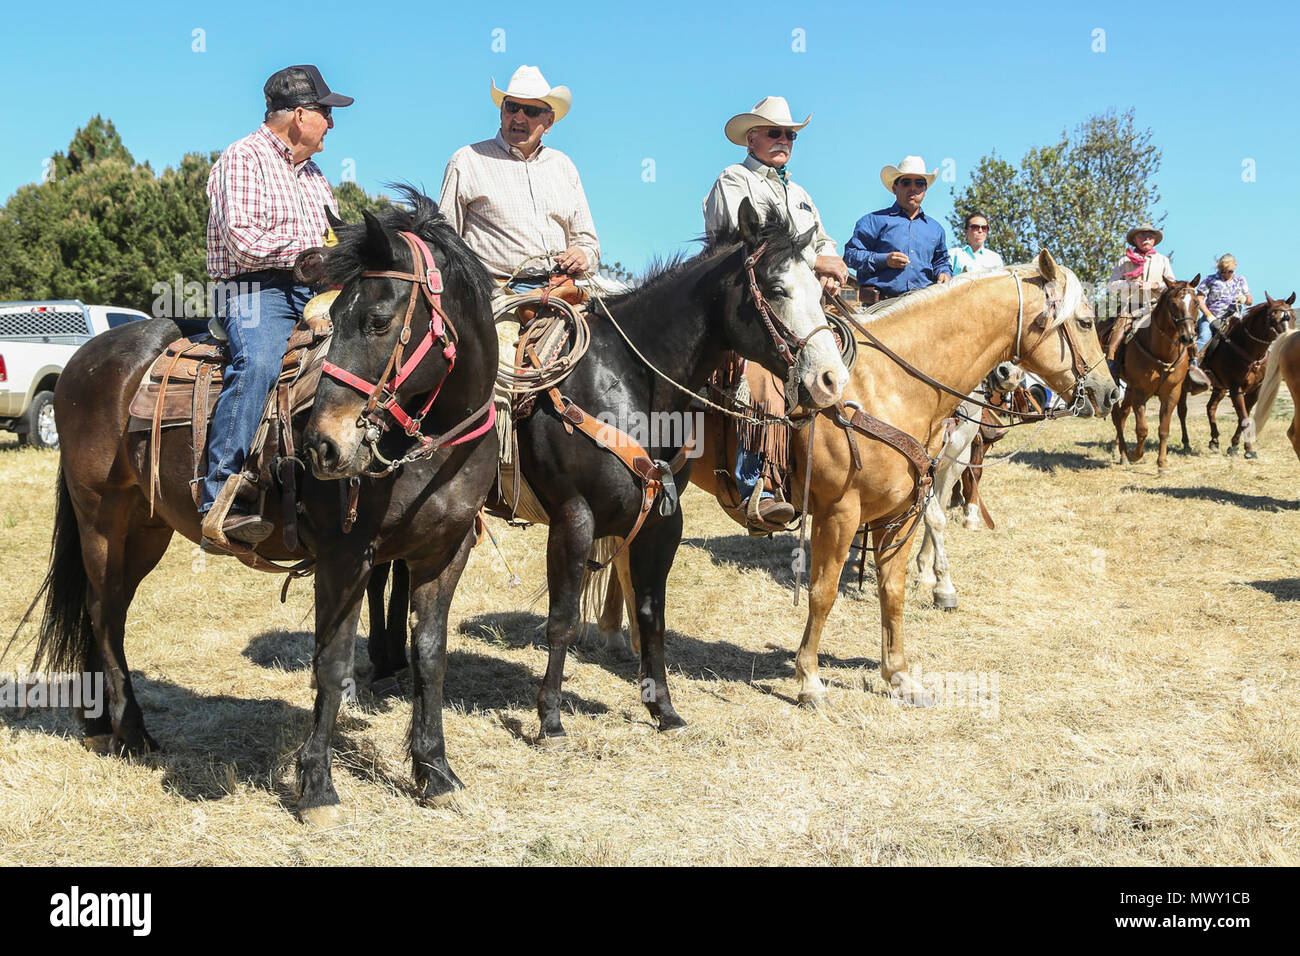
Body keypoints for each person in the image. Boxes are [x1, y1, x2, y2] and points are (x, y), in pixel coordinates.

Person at [202, 64, 353, 544]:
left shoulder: (315, 176)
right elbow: (243, 241)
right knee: (260, 363)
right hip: (252, 288)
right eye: (327, 113)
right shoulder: (241, 159)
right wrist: (309, 253)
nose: (332, 123)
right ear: (301, 115)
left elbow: (331, 237)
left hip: (311, 289)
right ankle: (220, 496)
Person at [702, 96, 849, 531]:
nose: (784, 140)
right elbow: (746, 242)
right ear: (752, 138)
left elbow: (825, 241)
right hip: (748, 305)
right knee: (764, 379)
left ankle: (834, 474)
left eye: (790, 135)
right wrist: (812, 262)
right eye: (775, 133)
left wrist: (833, 265)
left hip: (800, 305)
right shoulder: (733, 180)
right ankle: (759, 486)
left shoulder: (800, 194)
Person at [437, 65, 600, 290]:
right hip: (492, 292)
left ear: (549, 121)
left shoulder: (564, 167)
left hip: (561, 290)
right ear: (501, 111)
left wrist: (583, 255)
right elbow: (442, 241)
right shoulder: (467, 160)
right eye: (512, 107)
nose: (519, 117)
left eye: (530, 111)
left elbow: (589, 243)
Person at [1105, 220, 1211, 391]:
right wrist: (1132, 285)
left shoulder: (1162, 260)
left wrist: (1154, 285)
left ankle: (1193, 366)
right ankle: (1112, 371)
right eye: (1143, 235)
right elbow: (1112, 285)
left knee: (1185, 327)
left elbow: (1173, 285)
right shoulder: (1125, 260)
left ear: (1154, 240)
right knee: (1115, 337)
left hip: (1157, 306)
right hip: (1130, 307)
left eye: (1150, 235)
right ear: (1136, 239)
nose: (1147, 238)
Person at [843, 155, 952, 304]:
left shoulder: (936, 229)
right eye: (906, 182)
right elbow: (851, 255)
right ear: (895, 188)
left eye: (919, 183)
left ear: (925, 189)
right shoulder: (873, 221)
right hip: (880, 308)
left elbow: (941, 261)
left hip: (924, 308)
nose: (913, 188)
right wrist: (884, 260)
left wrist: (944, 272)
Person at [1195, 254, 1252, 353]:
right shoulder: (1210, 280)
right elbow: (1199, 299)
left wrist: (1244, 299)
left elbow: (1250, 301)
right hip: (1211, 318)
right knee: (1204, 337)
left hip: (1234, 320)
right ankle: (1192, 363)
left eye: (1230, 271)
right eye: (1223, 271)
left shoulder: (1240, 280)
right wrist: (1209, 316)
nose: (1226, 274)